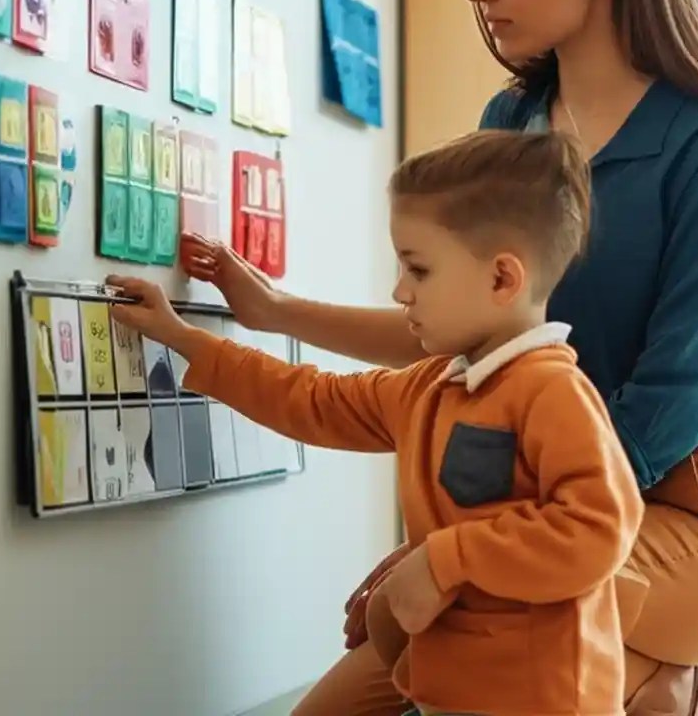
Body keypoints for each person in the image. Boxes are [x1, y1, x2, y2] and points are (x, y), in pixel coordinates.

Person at [184, 0, 698, 713]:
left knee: (503, 661)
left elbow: (673, 403)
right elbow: (456, 328)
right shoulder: (511, 126)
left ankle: (681, 700)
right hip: (538, 508)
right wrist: (276, 313)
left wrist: (459, 555)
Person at [110, 130, 646, 715]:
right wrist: (184, 339)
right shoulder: (429, 386)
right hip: (450, 686)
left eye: (418, 271)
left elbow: (600, 527)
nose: (399, 291)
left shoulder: (552, 392)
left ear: (502, 280)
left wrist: (445, 560)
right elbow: (312, 399)